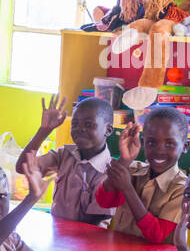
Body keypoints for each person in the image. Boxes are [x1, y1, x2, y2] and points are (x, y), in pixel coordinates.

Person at [95, 107, 190, 243]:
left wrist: (127, 188)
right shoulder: (132, 170)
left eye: (169, 144)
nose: (159, 151)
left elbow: (156, 233)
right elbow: (104, 202)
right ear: (143, 142)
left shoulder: (183, 189)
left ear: (185, 146)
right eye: (151, 143)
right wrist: (124, 160)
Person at [17, 95, 116, 225]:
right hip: (58, 235)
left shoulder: (111, 172)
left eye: (89, 124)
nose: (80, 129)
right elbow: (22, 167)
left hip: (89, 240)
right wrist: (44, 131)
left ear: (108, 130)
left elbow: (96, 220)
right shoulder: (64, 154)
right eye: (74, 124)